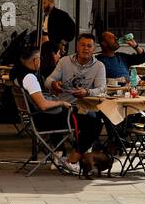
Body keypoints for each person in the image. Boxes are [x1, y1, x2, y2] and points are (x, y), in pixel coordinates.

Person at [45, 32, 106, 167]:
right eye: (83, 45)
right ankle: (60, 153)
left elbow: (102, 89)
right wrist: (54, 84)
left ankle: (76, 156)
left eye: (89, 46)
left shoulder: (99, 66)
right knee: (56, 116)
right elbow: (48, 80)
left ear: (94, 48)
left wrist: (87, 92)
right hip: (64, 106)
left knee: (96, 121)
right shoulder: (64, 61)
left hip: (84, 106)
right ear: (77, 47)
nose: (86, 48)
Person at [18, 45, 81, 176]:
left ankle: (60, 154)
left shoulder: (19, 73)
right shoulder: (29, 77)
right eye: (40, 59)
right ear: (36, 60)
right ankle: (73, 159)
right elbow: (43, 105)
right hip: (42, 120)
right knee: (89, 121)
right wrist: (62, 102)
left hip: (39, 117)